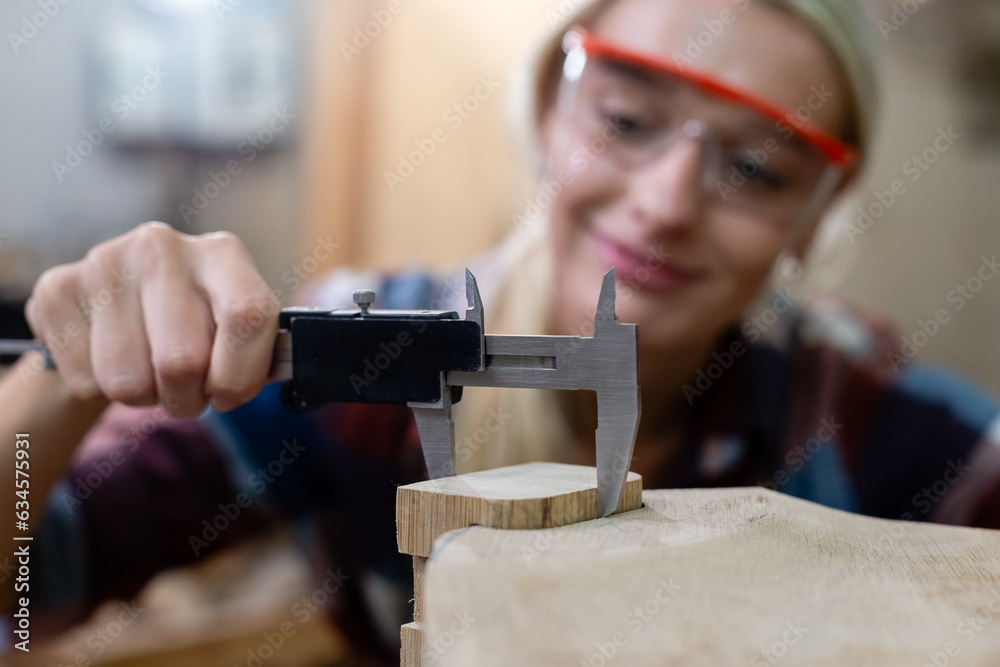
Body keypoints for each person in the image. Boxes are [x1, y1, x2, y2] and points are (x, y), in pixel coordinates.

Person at [3, 0, 999, 663]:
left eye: (756, 171)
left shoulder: (911, 446)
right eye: (626, 119)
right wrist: (66, 374)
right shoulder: (365, 357)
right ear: (547, 113)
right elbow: (26, 586)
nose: (661, 205)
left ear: (816, 217)